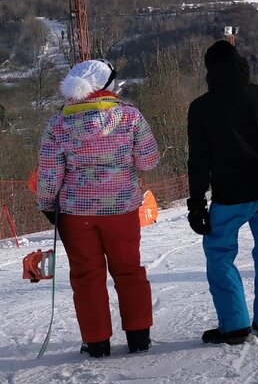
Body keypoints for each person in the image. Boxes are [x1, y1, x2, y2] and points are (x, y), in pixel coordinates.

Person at [37, 60, 160, 357]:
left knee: (86, 276)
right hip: (122, 210)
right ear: (106, 86)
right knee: (129, 270)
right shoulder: (129, 116)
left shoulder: (58, 124)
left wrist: (46, 204)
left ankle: (96, 342)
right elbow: (148, 161)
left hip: (75, 214)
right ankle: (139, 335)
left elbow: (49, 172)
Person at [187, 40, 258, 345]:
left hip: (230, 197)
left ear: (209, 71)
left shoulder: (201, 107)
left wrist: (196, 204)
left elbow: (199, 160)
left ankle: (235, 325)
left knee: (220, 256)